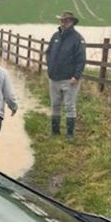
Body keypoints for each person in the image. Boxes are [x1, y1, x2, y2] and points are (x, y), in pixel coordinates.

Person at [46, 10, 86, 139]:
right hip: (54, 77)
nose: (62, 23)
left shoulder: (78, 39)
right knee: (55, 105)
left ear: (71, 22)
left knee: (69, 106)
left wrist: (76, 75)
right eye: (61, 20)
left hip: (70, 79)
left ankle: (69, 134)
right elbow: (48, 52)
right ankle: (55, 131)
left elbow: (81, 59)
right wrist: (50, 67)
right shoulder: (55, 36)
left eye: (65, 20)